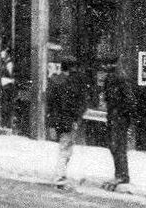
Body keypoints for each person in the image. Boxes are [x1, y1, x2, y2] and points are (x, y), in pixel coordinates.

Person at [47, 56, 92, 188]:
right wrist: (77, 118)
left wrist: (51, 124)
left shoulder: (55, 80)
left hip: (57, 120)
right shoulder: (73, 83)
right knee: (66, 149)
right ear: (73, 67)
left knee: (64, 147)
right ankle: (59, 176)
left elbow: (50, 104)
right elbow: (79, 104)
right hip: (69, 120)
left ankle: (60, 175)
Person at [101, 53, 137, 188]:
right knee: (114, 146)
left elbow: (130, 100)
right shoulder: (111, 78)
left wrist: (125, 117)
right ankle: (120, 174)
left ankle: (122, 175)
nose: (104, 67)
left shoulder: (120, 77)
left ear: (112, 64)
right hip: (113, 116)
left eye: (106, 64)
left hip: (119, 118)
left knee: (118, 146)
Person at [0, 50, 18, 130]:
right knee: (5, 104)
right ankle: (5, 123)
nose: (1, 56)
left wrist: (9, 81)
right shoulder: (5, 63)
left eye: (3, 55)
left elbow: (12, 77)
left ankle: (7, 124)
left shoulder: (9, 64)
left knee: (7, 105)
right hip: (5, 87)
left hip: (8, 87)